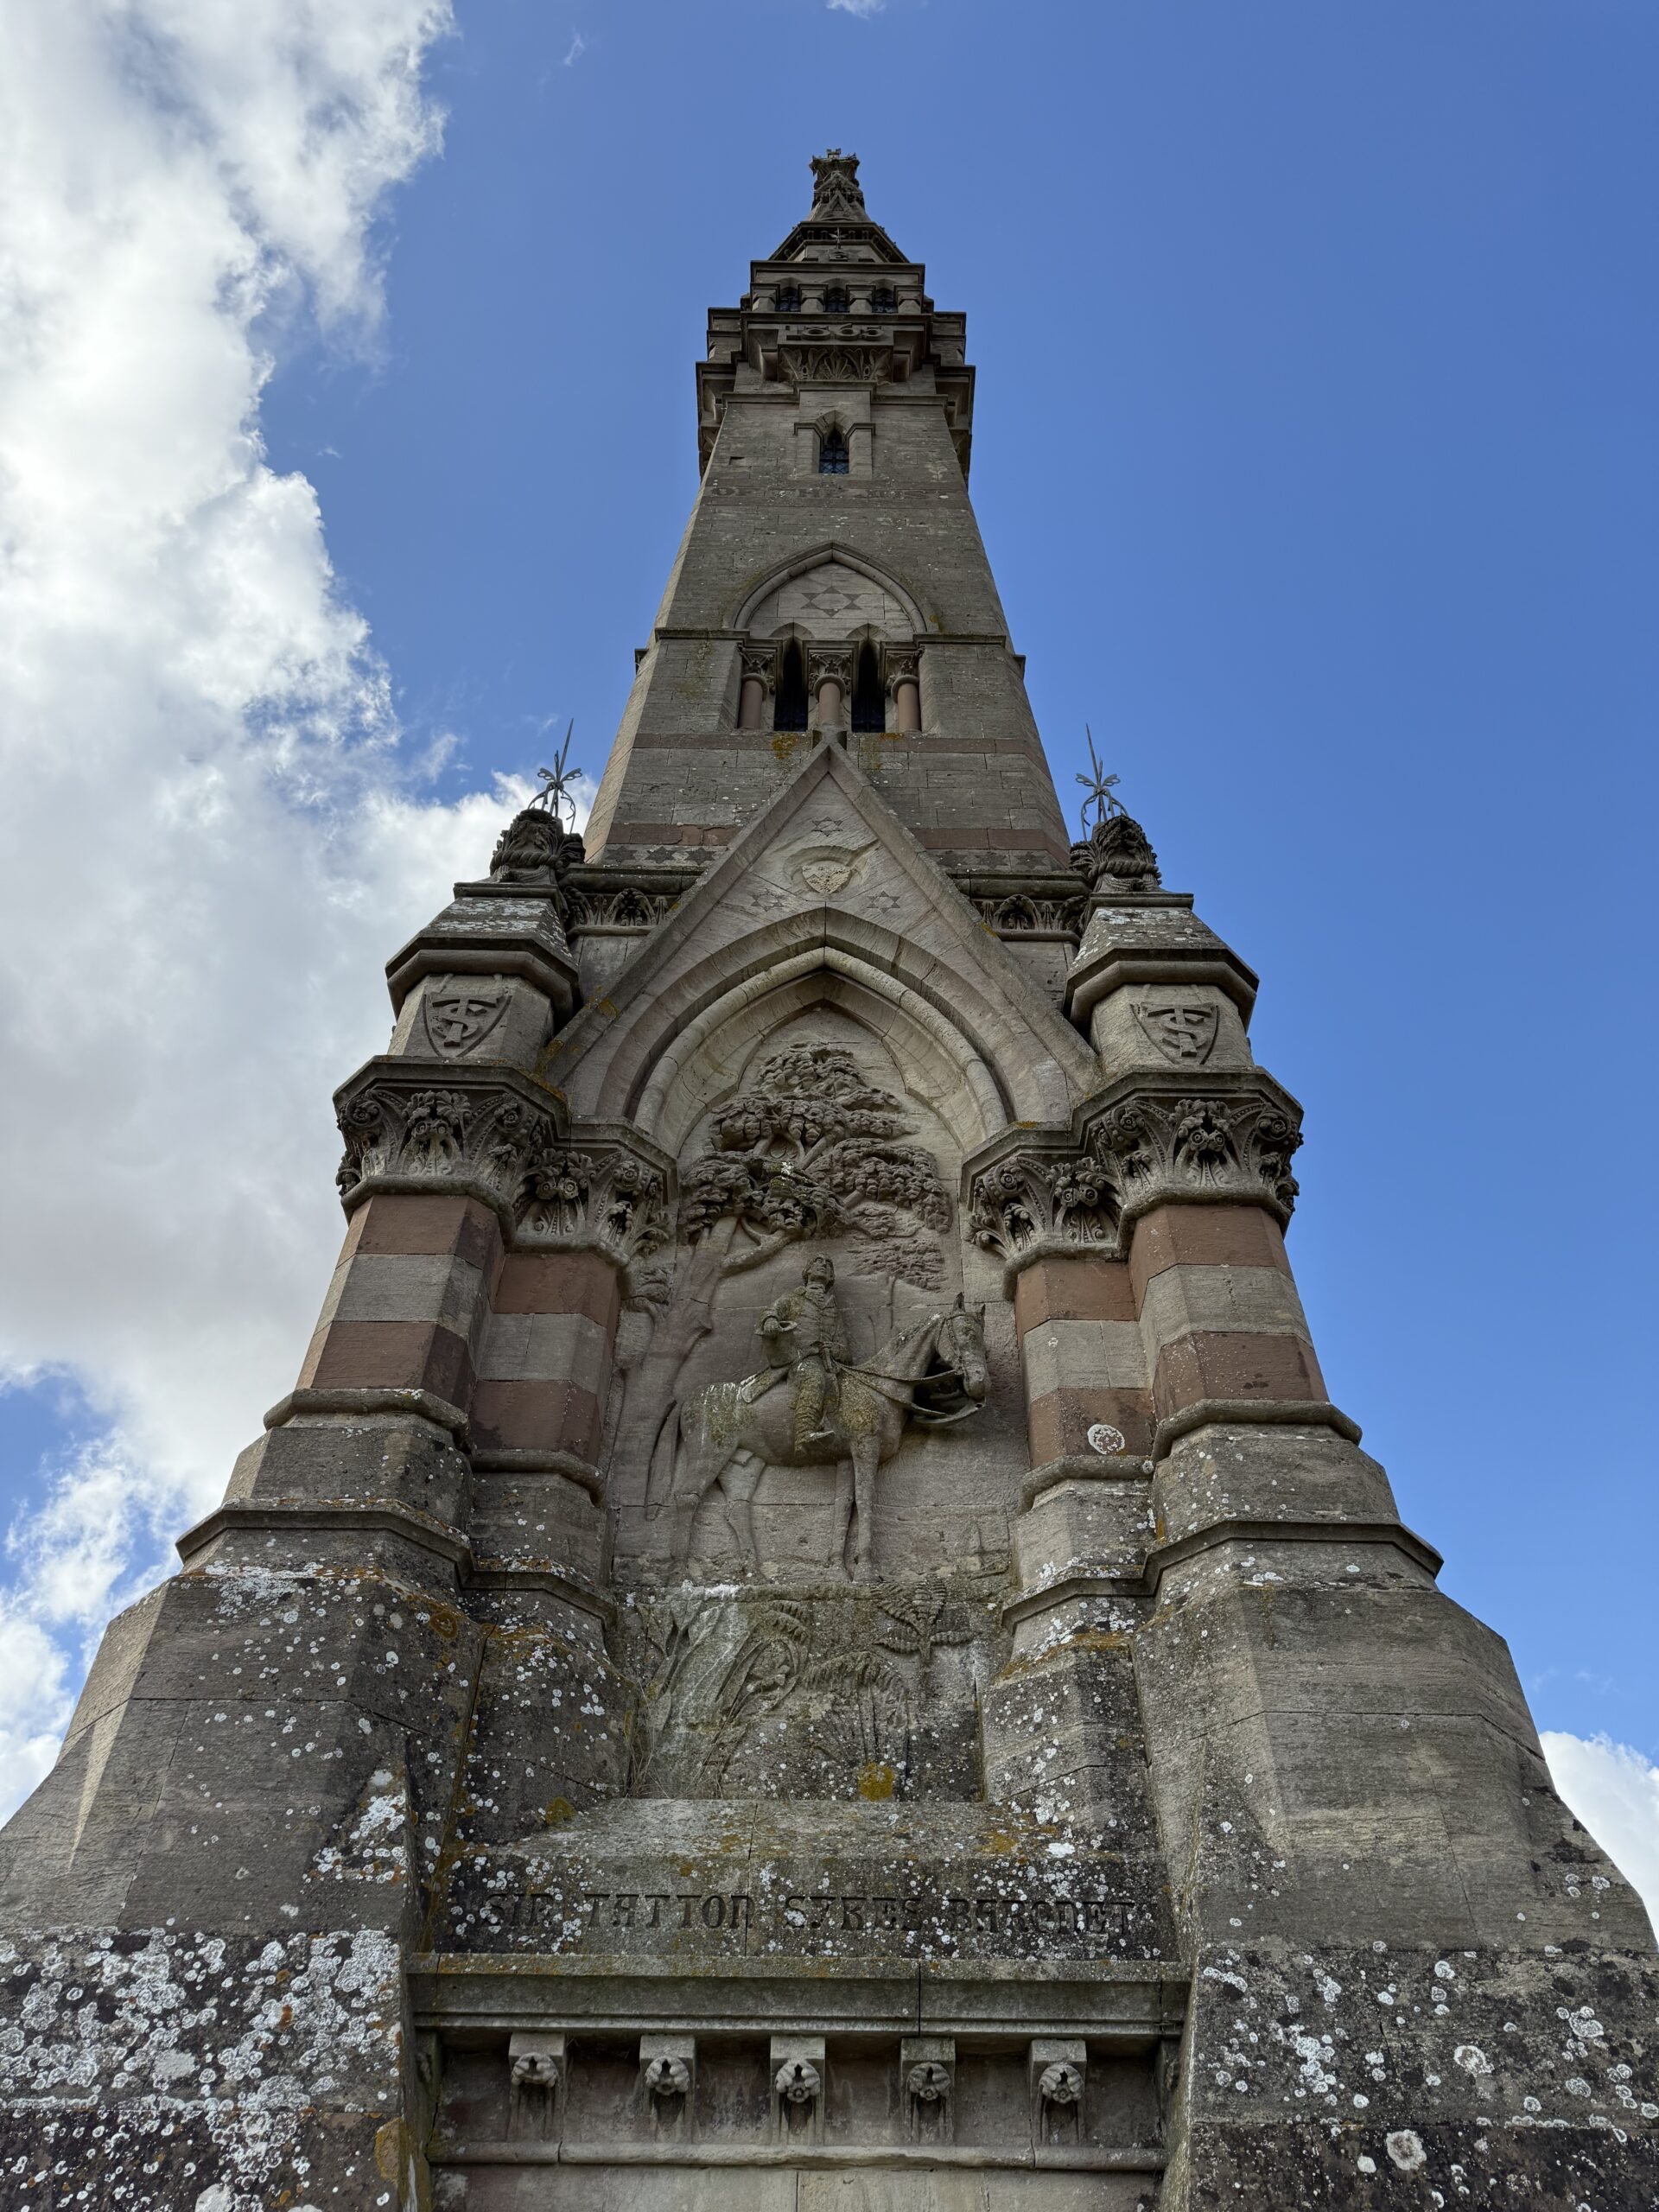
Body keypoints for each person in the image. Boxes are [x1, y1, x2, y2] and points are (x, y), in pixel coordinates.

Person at [758, 1255, 850, 1451]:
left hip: (830, 1364)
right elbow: (770, 1311)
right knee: (814, 1378)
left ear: (832, 1276)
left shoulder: (832, 1307)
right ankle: (804, 1434)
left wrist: (835, 1349)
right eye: (818, 1261)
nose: (823, 1264)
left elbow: (845, 1351)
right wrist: (770, 1321)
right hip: (800, 1359)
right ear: (807, 1271)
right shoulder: (793, 1297)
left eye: (828, 1263)